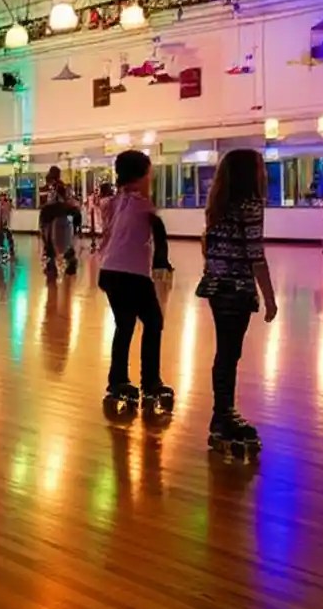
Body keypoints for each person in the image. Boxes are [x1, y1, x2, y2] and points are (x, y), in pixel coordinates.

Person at [195, 148, 277, 456]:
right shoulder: (251, 205)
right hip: (237, 289)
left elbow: (208, 246)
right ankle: (222, 414)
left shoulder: (218, 205)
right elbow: (256, 255)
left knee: (225, 353)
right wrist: (270, 299)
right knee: (230, 354)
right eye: (260, 168)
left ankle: (223, 413)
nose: (264, 173)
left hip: (215, 288)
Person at [97, 150, 175, 414]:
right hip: (131, 274)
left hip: (109, 271)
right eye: (149, 174)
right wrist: (163, 263)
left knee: (125, 325)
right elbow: (159, 232)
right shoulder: (142, 205)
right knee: (153, 322)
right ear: (142, 176)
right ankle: (150, 382)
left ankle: (118, 380)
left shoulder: (114, 202)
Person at [0, 191, 15, 262]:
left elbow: (10, 209)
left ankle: (10, 249)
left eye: (3, 196)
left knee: (8, 236)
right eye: (1, 196)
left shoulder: (7, 204)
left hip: (4, 223)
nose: (2, 198)